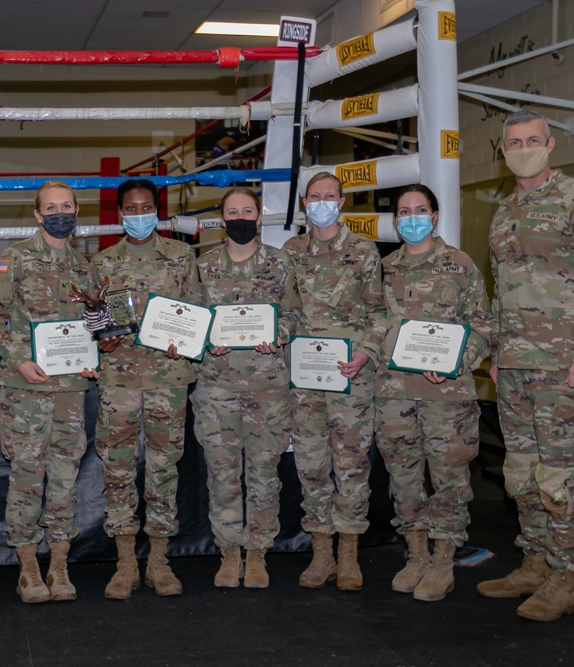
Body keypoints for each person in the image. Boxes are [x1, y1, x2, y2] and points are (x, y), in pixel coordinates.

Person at [479, 109, 574, 621]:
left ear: (550, 143)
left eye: (531, 139)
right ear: (503, 150)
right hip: (516, 367)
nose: (523, 147)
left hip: (565, 367)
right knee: (520, 471)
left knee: (561, 475)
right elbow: (502, 294)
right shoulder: (505, 211)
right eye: (513, 142)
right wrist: (497, 355)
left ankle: (564, 578)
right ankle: (534, 562)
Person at [0, 180, 98, 604]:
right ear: (37, 214)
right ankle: (29, 567)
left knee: (65, 478)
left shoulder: (87, 269)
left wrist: (94, 357)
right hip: (25, 389)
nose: (59, 213)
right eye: (50, 207)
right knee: (27, 477)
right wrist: (17, 359)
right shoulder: (12, 259)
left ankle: (60, 564)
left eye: (66, 205)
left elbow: (94, 327)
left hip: (70, 389)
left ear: (76, 210)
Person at [374, 184, 491, 602]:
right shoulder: (383, 269)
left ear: (435, 216)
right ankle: (417, 554)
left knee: (449, 480)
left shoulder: (459, 266)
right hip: (393, 395)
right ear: (394, 221)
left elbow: (483, 326)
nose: (412, 218)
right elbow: (369, 326)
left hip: (448, 397)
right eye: (403, 212)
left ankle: (443, 559)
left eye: (420, 209)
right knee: (403, 479)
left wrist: (457, 362)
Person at [90, 179, 200, 600]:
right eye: (131, 208)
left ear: (158, 210)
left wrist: (186, 338)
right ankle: (123, 564)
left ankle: (158, 561)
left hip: (167, 379)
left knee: (163, 470)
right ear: (120, 213)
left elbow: (197, 311)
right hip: (119, 380)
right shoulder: (102, 263)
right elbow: (95, 321)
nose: (139, 214)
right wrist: (103, 337)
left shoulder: (181, 256)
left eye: (146, 207)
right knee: (116, 469)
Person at [280, 171, 387, 591]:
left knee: (352, 465)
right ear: (305, 202)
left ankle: (348, 555)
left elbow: (379, 313)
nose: (321, 202)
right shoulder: (291, 251)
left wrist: (366, 351)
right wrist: (279, 337)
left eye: (329, 196)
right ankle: (320, 552)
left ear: (341, 202)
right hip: (304, 377)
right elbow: (284, 309)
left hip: (351, 375)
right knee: (309, 464)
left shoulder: (362, 250)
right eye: (314, 196)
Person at [190, 187, 294, 589]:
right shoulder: (203, 265)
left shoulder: (281, 263)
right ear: (222, 218)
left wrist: (279, 333)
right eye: (232, 212)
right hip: (217, 387)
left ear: (258, 216)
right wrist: (203, 340)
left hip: (267, 386)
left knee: (265, 473)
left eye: (247, 211)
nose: (239, 218)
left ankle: (257, 553)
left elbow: (295, 312)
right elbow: (191, 317)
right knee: (222, 474)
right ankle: (228, 551)